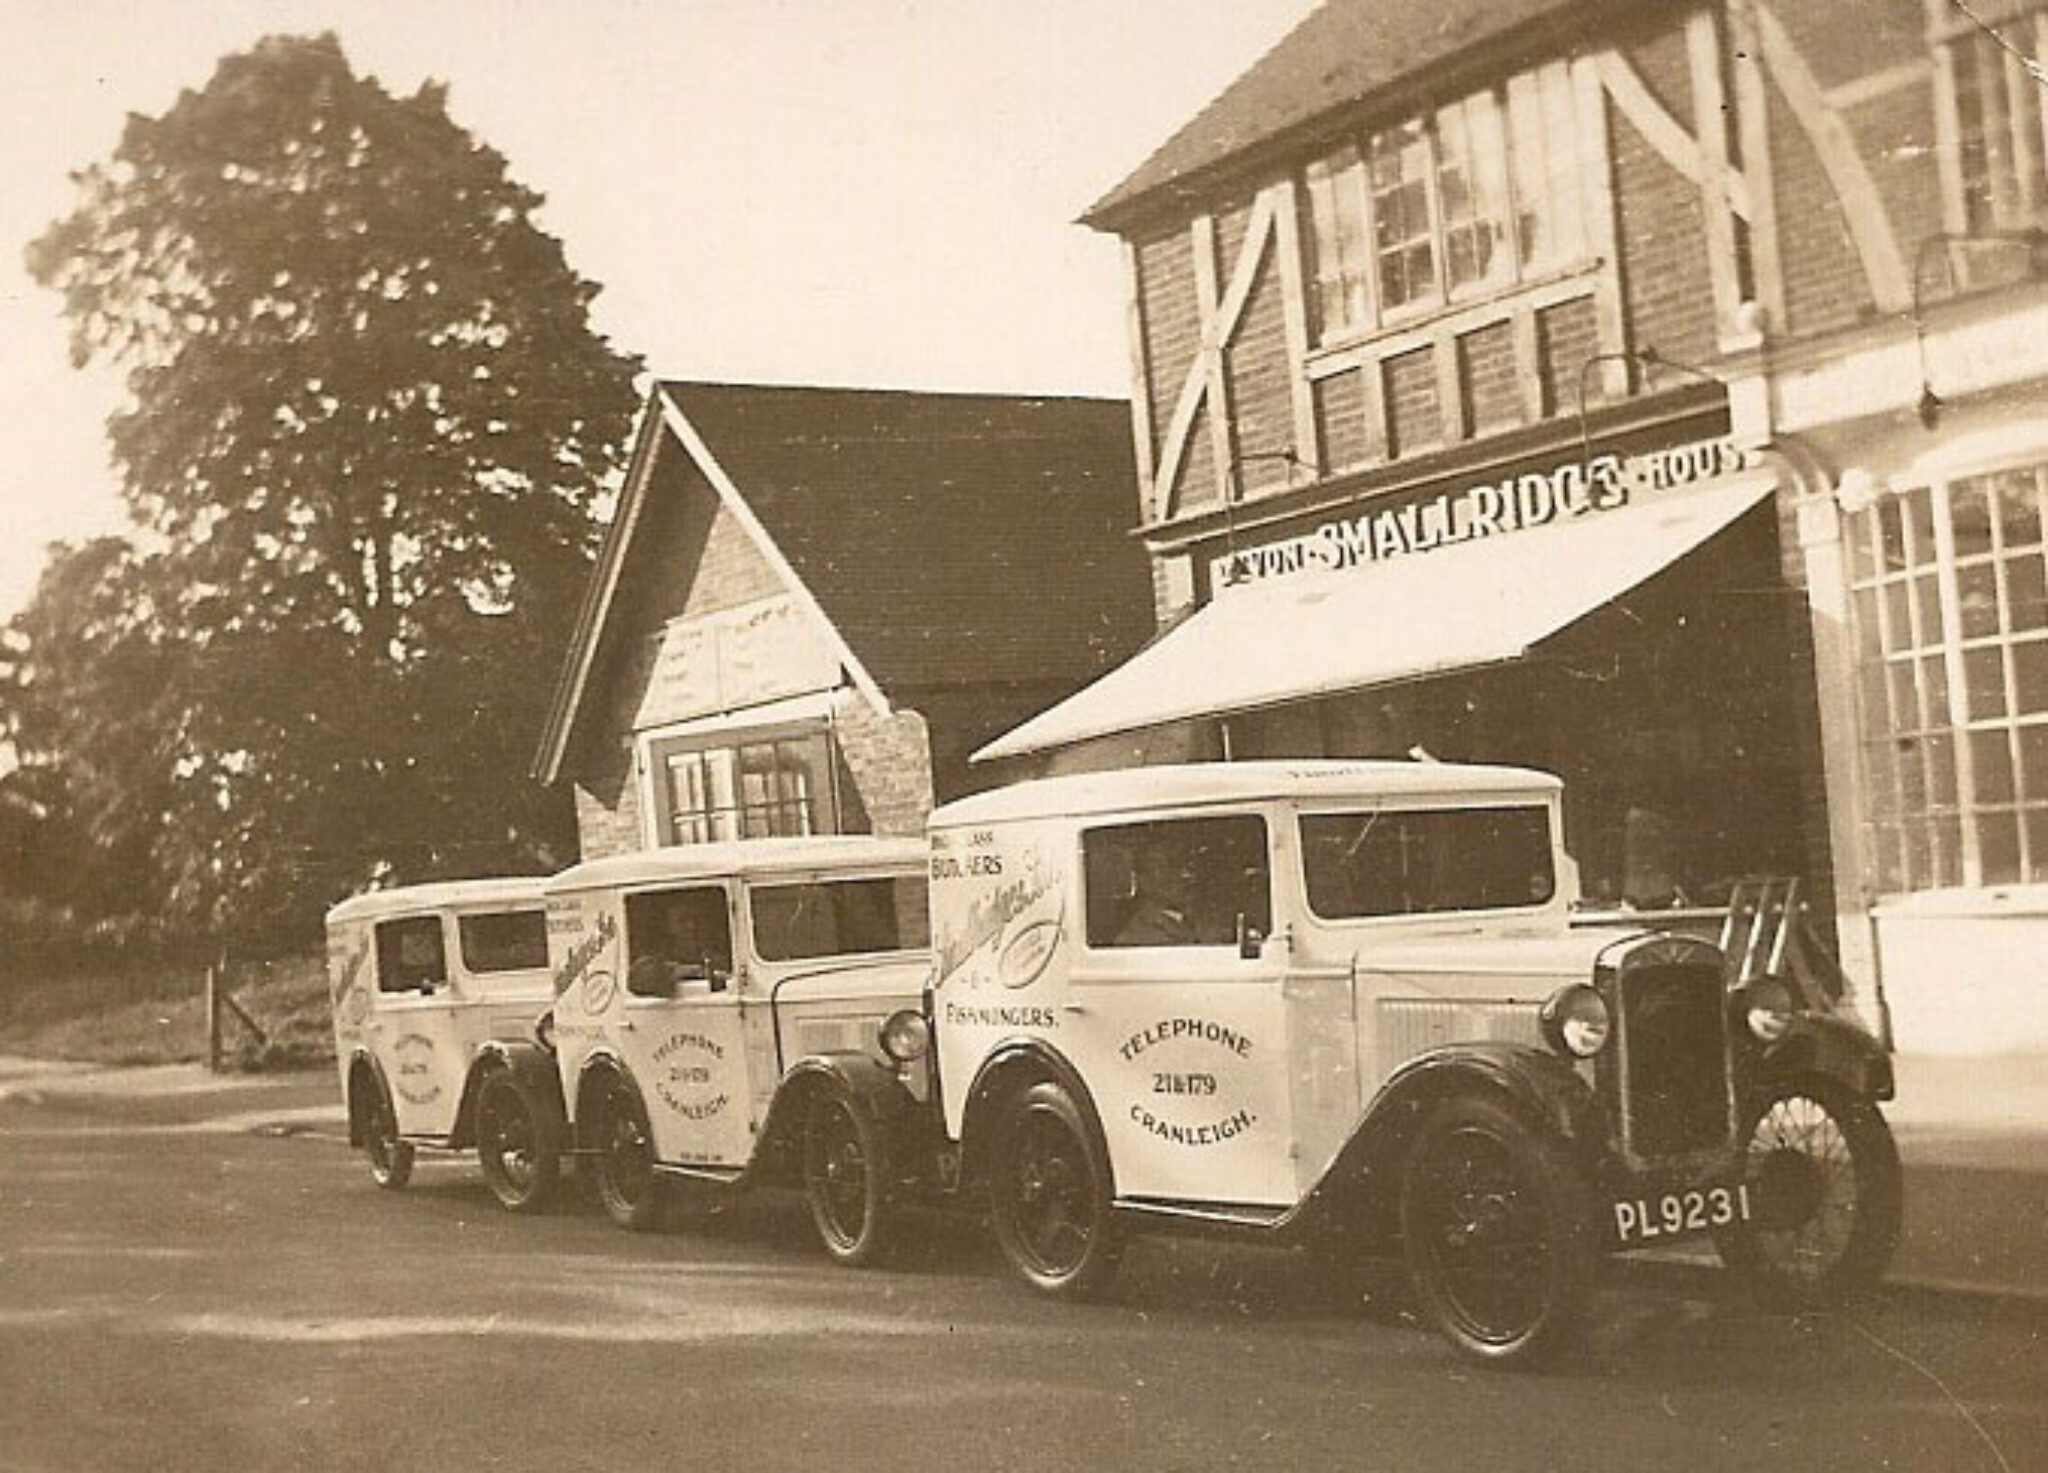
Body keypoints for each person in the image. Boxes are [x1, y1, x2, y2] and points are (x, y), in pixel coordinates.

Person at [1114, 842, 1201, 947]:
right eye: (1170, 867)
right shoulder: (1137, 938)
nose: (1187, 875)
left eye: (1185, 866)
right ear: (1144, 881)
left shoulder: (1189, 922)